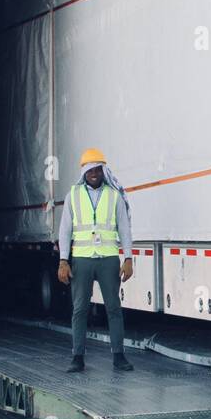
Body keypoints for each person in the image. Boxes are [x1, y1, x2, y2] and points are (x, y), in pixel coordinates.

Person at [57, 148, 135, 373]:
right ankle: (77, 357)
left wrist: (128, 258)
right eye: (89, 169)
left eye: (97, 168)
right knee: (79, 309)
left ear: (103, 170)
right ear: (84, 171)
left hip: (108, 259)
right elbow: (65, 230)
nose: (94, 172)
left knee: (114, 308)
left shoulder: (114, 195)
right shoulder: (73, 195)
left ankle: (119, 356)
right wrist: (63, 260)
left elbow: (125, 228)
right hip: (82, 260)